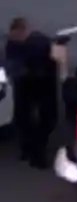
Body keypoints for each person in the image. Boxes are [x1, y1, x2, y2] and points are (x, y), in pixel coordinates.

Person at [4, 18, 63, 169]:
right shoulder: (36, 42)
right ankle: (34, 153)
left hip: (38, 84)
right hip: (34, 84)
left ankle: (31, 151)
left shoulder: (37, 42)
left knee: (36, 120)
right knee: (34, 120)